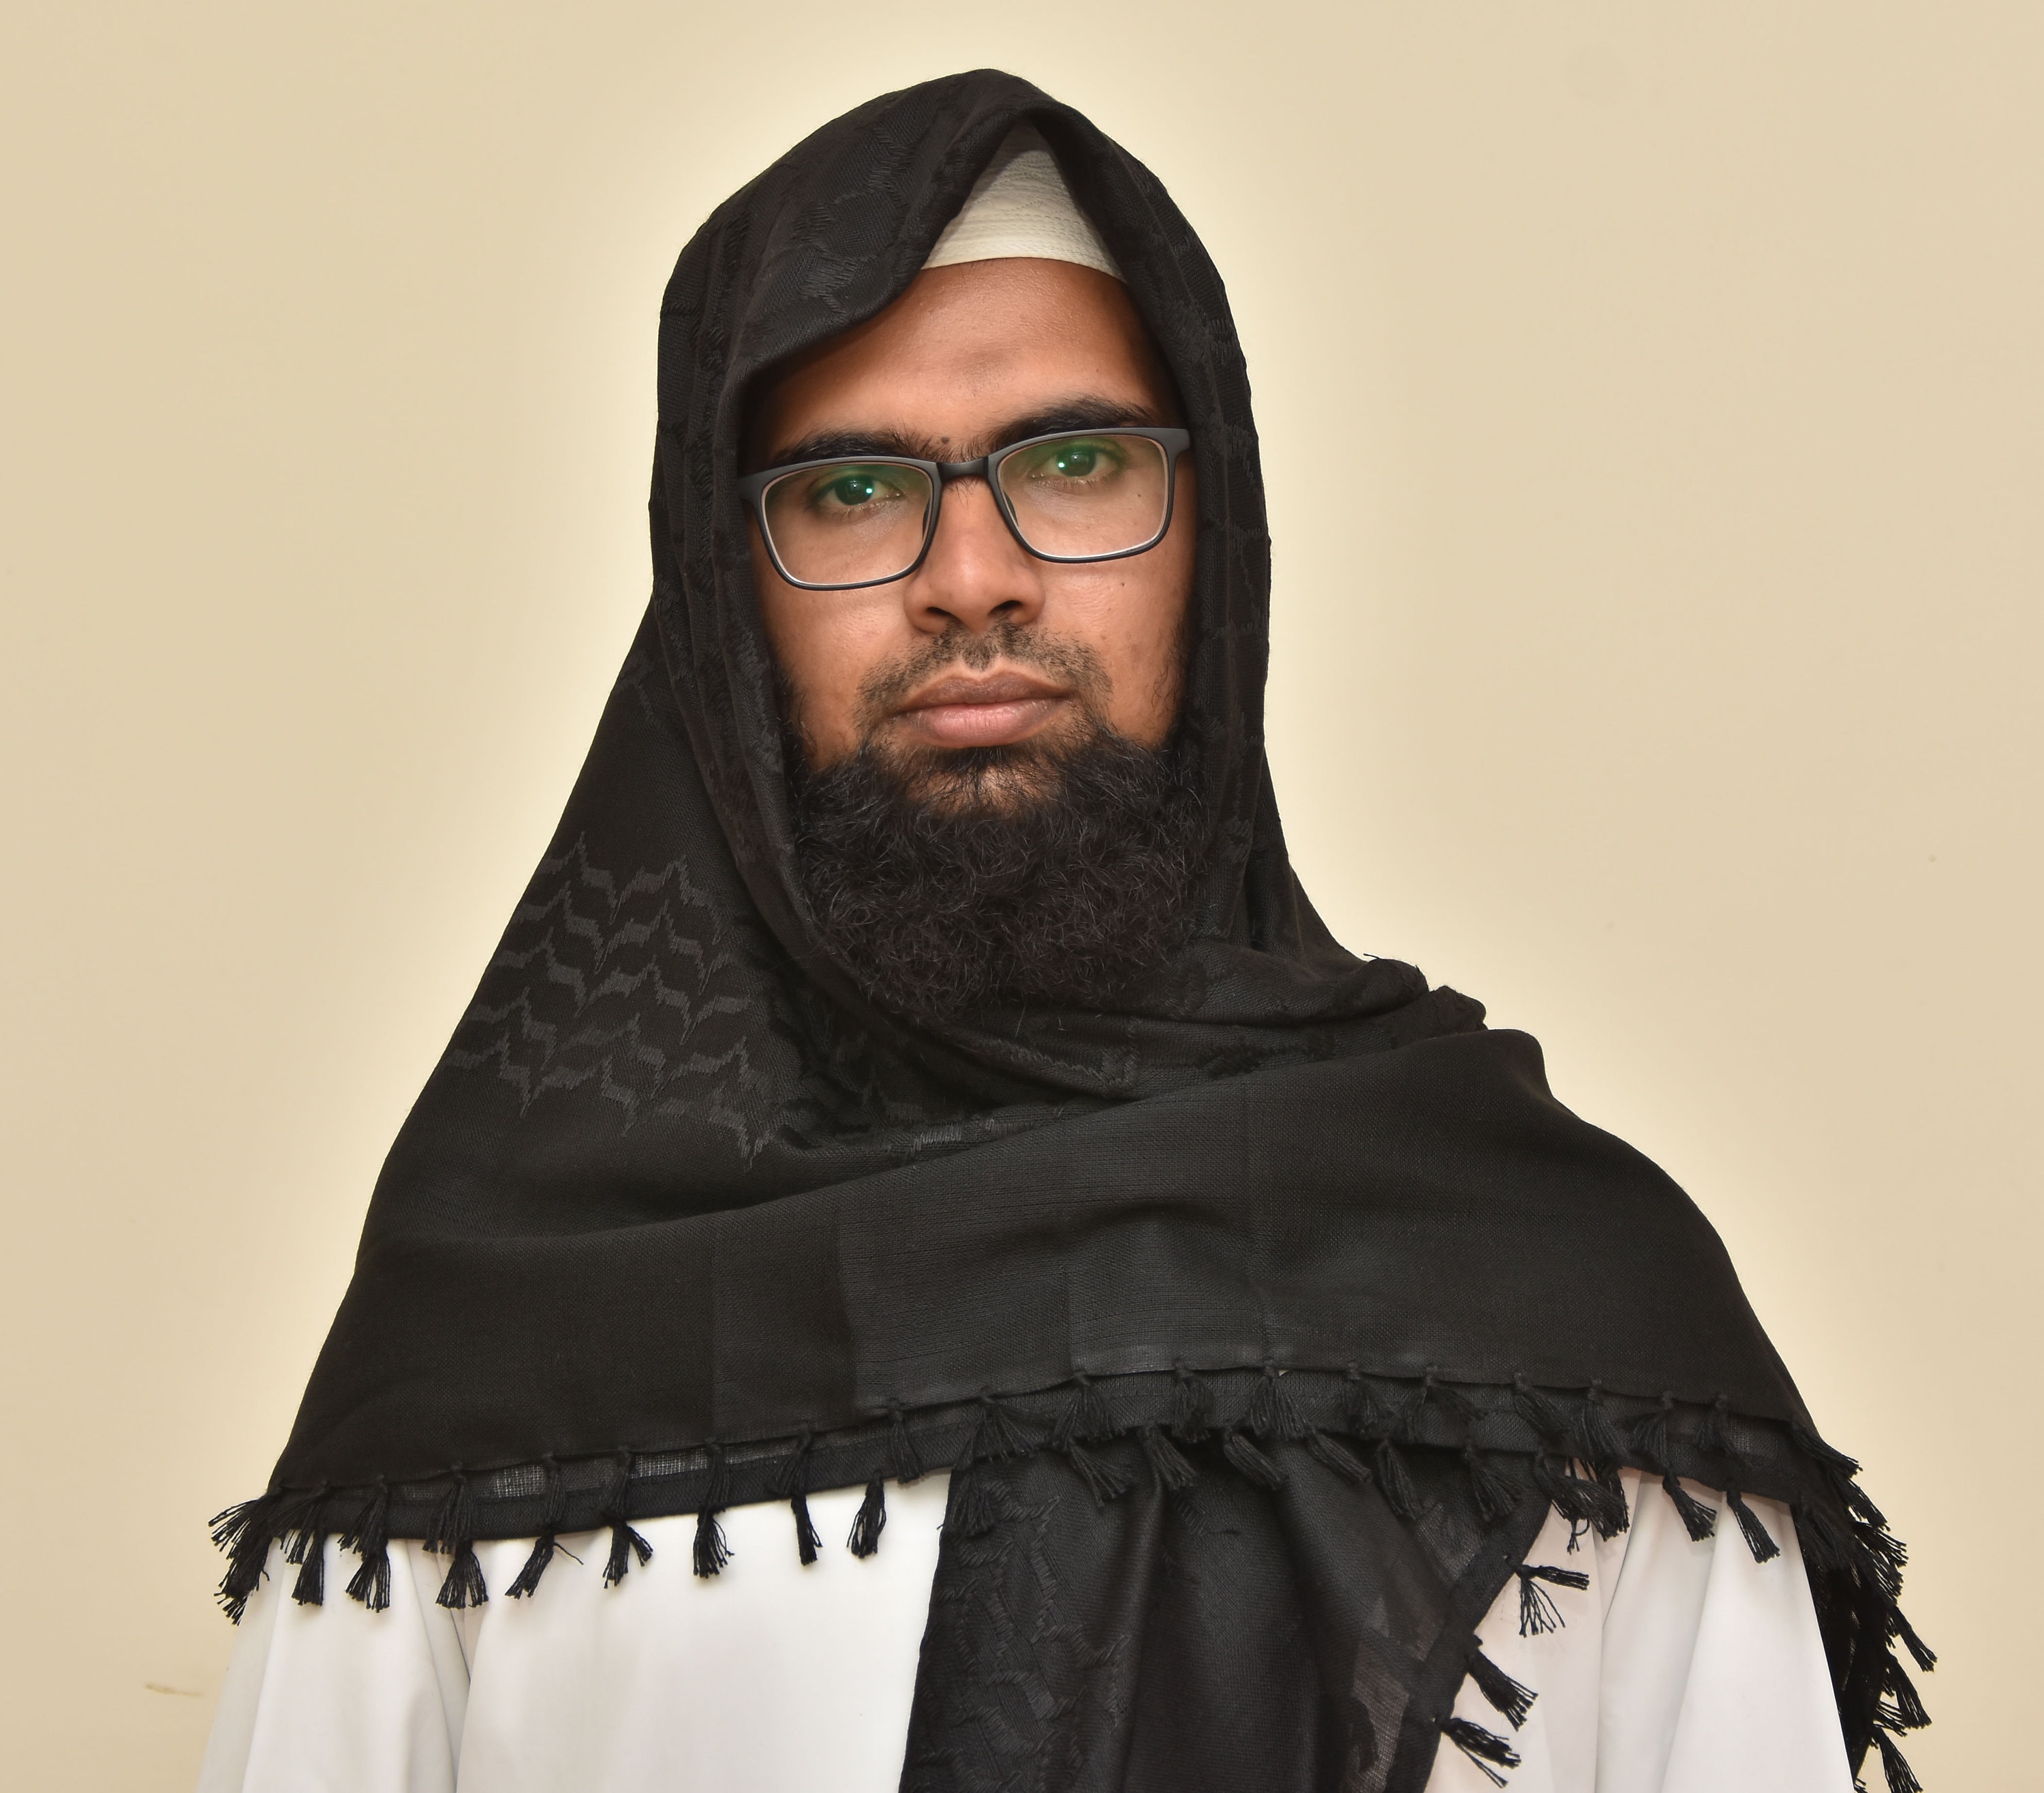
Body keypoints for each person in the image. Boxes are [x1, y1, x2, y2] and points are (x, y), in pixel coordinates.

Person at [198, 72, 1930, 1793]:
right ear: (724, 598)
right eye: (852, 487)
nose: (971, 575)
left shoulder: (1563, 1307)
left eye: (1079, 461)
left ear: (1217, 543)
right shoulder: (503, 1328)